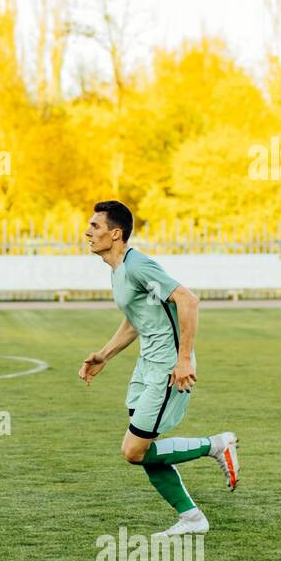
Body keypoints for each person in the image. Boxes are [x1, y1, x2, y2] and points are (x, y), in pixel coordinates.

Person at [78, 200, 239, 537]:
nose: (88, 232)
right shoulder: (119, 270)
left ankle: (216, 445)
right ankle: (192, 518)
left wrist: (183, 360)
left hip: (168, 366)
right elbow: (136, 321)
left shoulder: (137, 265)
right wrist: (103, 355)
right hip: (147, 367)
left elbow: (188, 299)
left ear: (115, 233)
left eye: (95, 226)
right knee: (143, 448)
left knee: (133, 450)